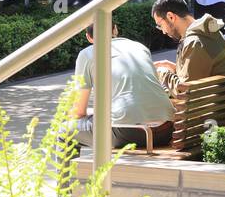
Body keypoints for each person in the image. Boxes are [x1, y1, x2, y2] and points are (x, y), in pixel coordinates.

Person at [69, 19, 175, 149]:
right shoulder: (139, 47)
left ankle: (69, 170)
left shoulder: (87, 53)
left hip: (128, 132)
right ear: (115, 30)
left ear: (89, 37)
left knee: (64, 131)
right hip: (166, 129)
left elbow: (79, 112)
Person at [150, 0, 225, 96]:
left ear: (171, 17)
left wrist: (163, 73)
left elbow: (185, 92)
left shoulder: (195, 42)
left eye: (160, 25)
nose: (163, 31)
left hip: (208, 109)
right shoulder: (207, 33)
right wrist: (176, 68)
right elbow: (199, 74)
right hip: (219, 106)